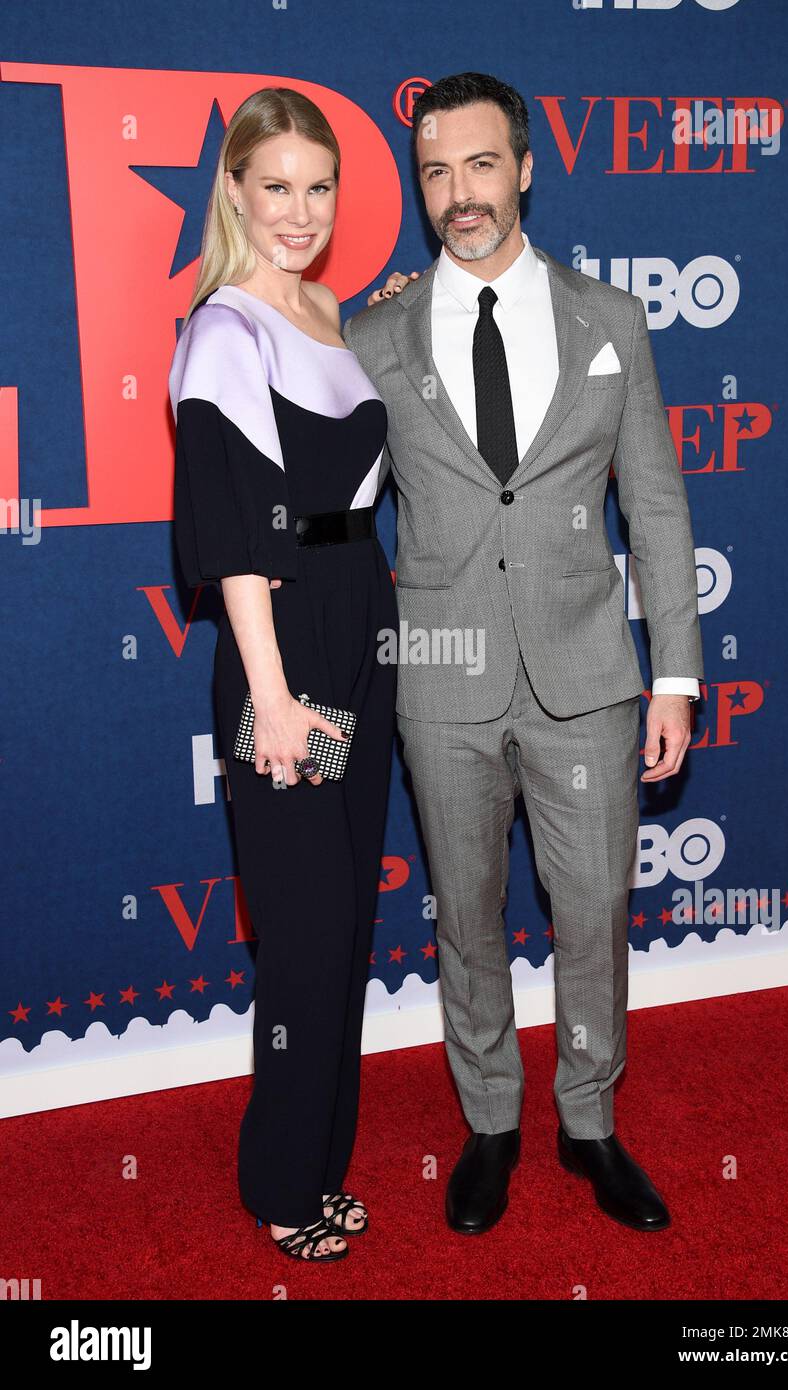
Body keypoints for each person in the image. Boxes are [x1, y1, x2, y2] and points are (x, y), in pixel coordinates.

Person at [344, 72, 703, 1235]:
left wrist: (676, 676)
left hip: (589, 678)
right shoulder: (372, 332)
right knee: (467, 914)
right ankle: (489, 1119)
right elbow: (330, 499)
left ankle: (588, 1122)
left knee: (594, 908)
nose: (459, 193)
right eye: (436, 170)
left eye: (481, 164)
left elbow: (652, 505)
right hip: (439, 675)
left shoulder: (611, 319)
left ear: (526, 167)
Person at [168, 87, 398, 1262]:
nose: (300, 210)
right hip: (288, 642)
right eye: (276, 187)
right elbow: (233, 532)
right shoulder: (223, 329)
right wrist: (268, 692)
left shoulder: (322, 310)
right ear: (237, 190)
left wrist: (387, 308)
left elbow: (346, 453)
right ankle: (278, 1187)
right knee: (304, 938)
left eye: (319, 186)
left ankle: (318, 1163)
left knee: (346, 922)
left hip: (363, 628)